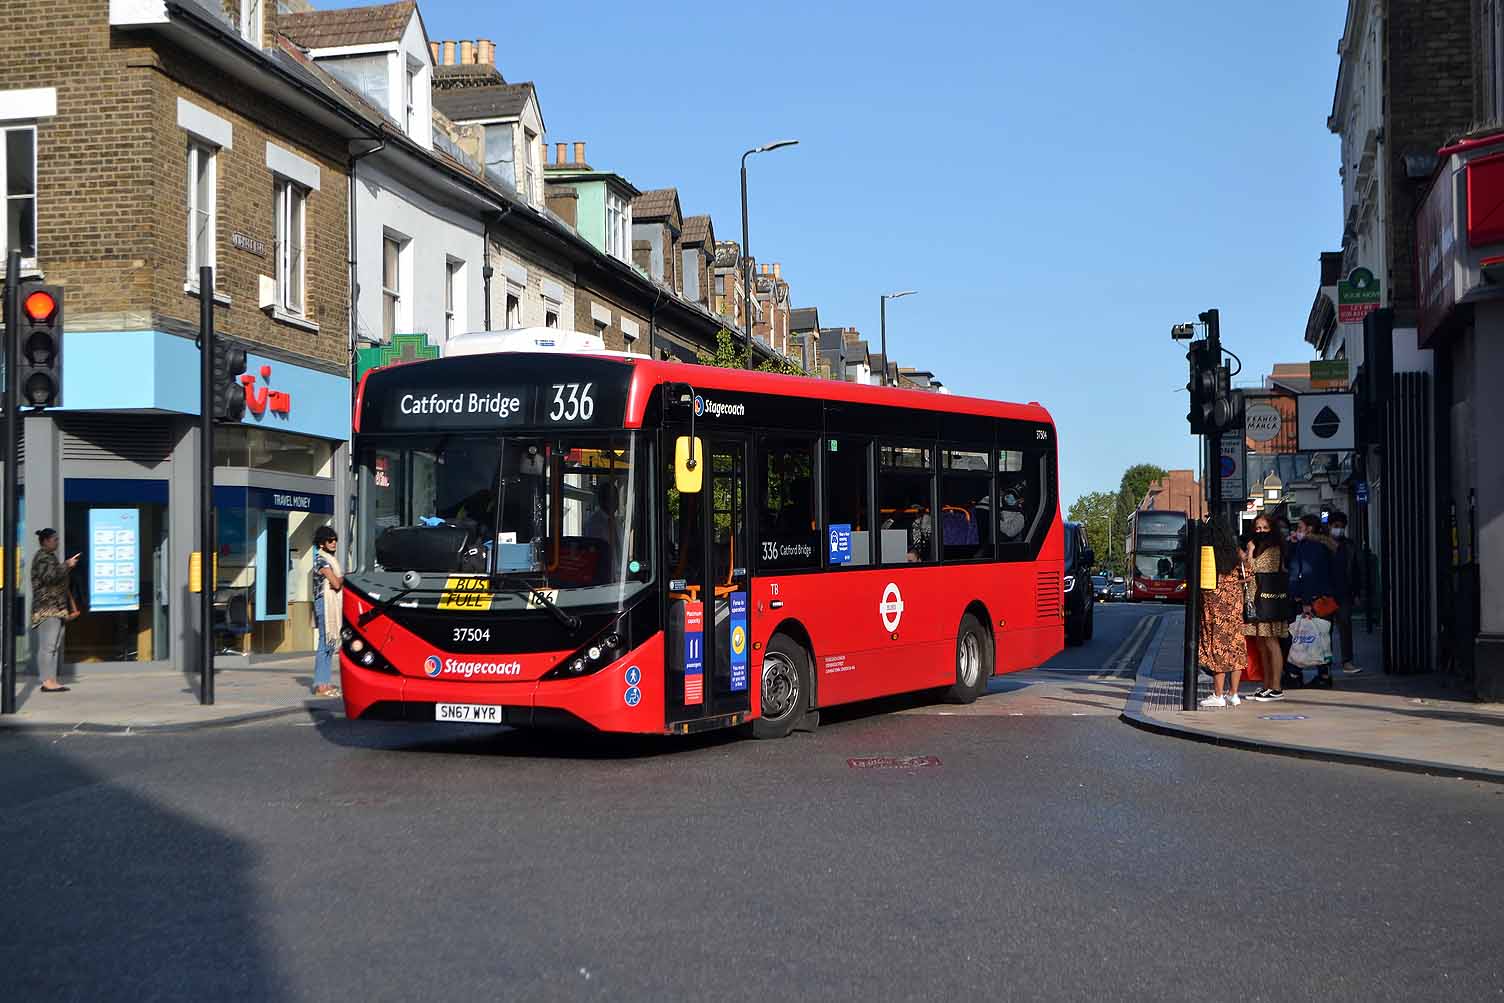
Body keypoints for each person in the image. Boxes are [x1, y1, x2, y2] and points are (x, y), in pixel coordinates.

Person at [1198, 519, 1247, 708]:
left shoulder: (1207, 554)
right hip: (1234, 609)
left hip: (1214, 610)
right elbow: (1249, 573)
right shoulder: (1235, 554)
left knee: (1216, 650)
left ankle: (1218, 695)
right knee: (1235, 650)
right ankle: (1233, 694)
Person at [1288, 514, 1338, 689]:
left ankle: (1295, 673)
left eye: (1300, 527)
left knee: (1302, 635)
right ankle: (1324, 674)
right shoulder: (1327, 545)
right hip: (1326, 599)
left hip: (1312, 599)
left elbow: (1306, 574)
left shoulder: (1307, 546)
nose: (1297, 530)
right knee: (1322, 636)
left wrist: (1306, 601)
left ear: (1309, 528)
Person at [1243, 515, 1290, 701]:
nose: (1260, 531)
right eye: (1258, 527)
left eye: (1264, 527)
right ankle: (1266, 685)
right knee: (1262, 644)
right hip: (1256, 601)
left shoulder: (1274, 548)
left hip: (1269, 601)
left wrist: (1250, 552)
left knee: (1271, 642)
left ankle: (1277, 687)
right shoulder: (1260, 546)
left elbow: (1258, 568)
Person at [30, 528, 78, 693]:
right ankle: (46, 680)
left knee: (53, 646)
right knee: (48, 647)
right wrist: (67, 565)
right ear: (45, 541)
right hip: (47, 608)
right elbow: (49, 578)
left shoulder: (49, 557)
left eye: (57, 539)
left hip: (55, 608)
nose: (57, 542)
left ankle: (51, 680)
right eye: (54, 539)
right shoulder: (42, 558)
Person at [1328, 511, 1362, 674]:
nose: (1339, 530)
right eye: (1336, 526)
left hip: (1344, 592)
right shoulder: (1324, 544)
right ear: (1330, 526)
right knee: (1325, 629)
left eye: (1341, 527)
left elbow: (1355, 570)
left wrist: (1356, 592)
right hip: (1326, 593)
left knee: (1345, 627)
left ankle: (1347, 661)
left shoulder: (1349, 545)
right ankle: (1325, 662)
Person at [311, 526, 343, 698]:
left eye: (335, 539)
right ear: (322, 543)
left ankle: (325, 683)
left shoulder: (330, 560)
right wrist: (342, 578)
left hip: (328, 604)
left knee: (329, 646)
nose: (334, 542)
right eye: (330, 540)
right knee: (325, 644)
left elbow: (336, 582)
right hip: (324, 604)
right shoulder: (321, 561)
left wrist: (339, 579)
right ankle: (320, 686)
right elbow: (336, 583)